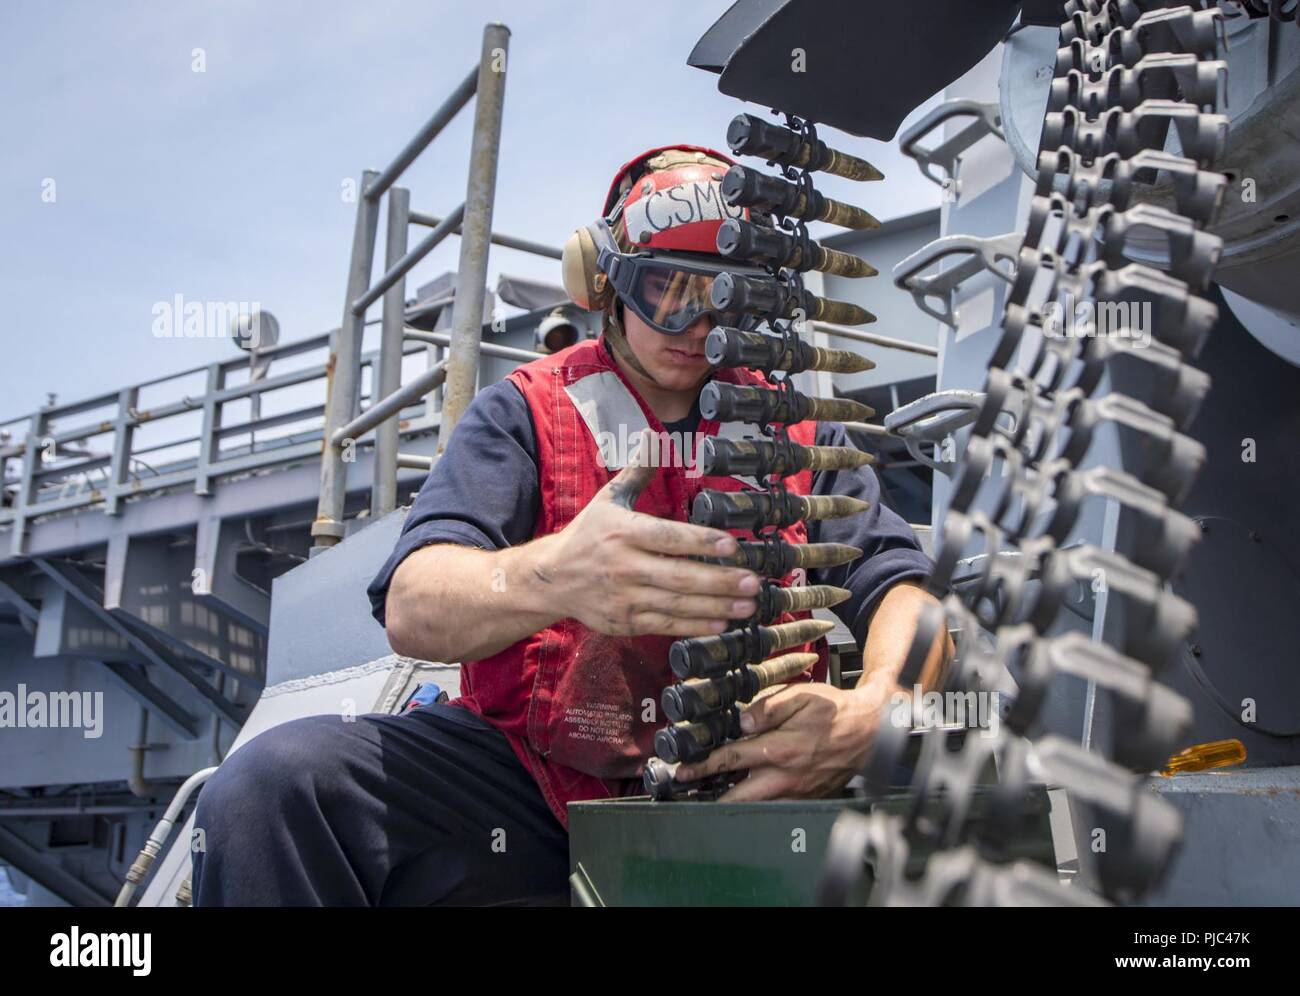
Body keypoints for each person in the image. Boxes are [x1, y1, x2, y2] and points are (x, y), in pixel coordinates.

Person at [191, 145, 951, 907]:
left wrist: (878, 709)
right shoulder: (524, 411)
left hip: (749, 790)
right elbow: (415, 604)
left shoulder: (794, 433)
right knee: (272, 790)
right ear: (607, 280)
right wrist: (555, 575)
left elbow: (902, 589)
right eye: (668, 291)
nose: (695, 326)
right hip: (532, 791)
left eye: (723, 295)